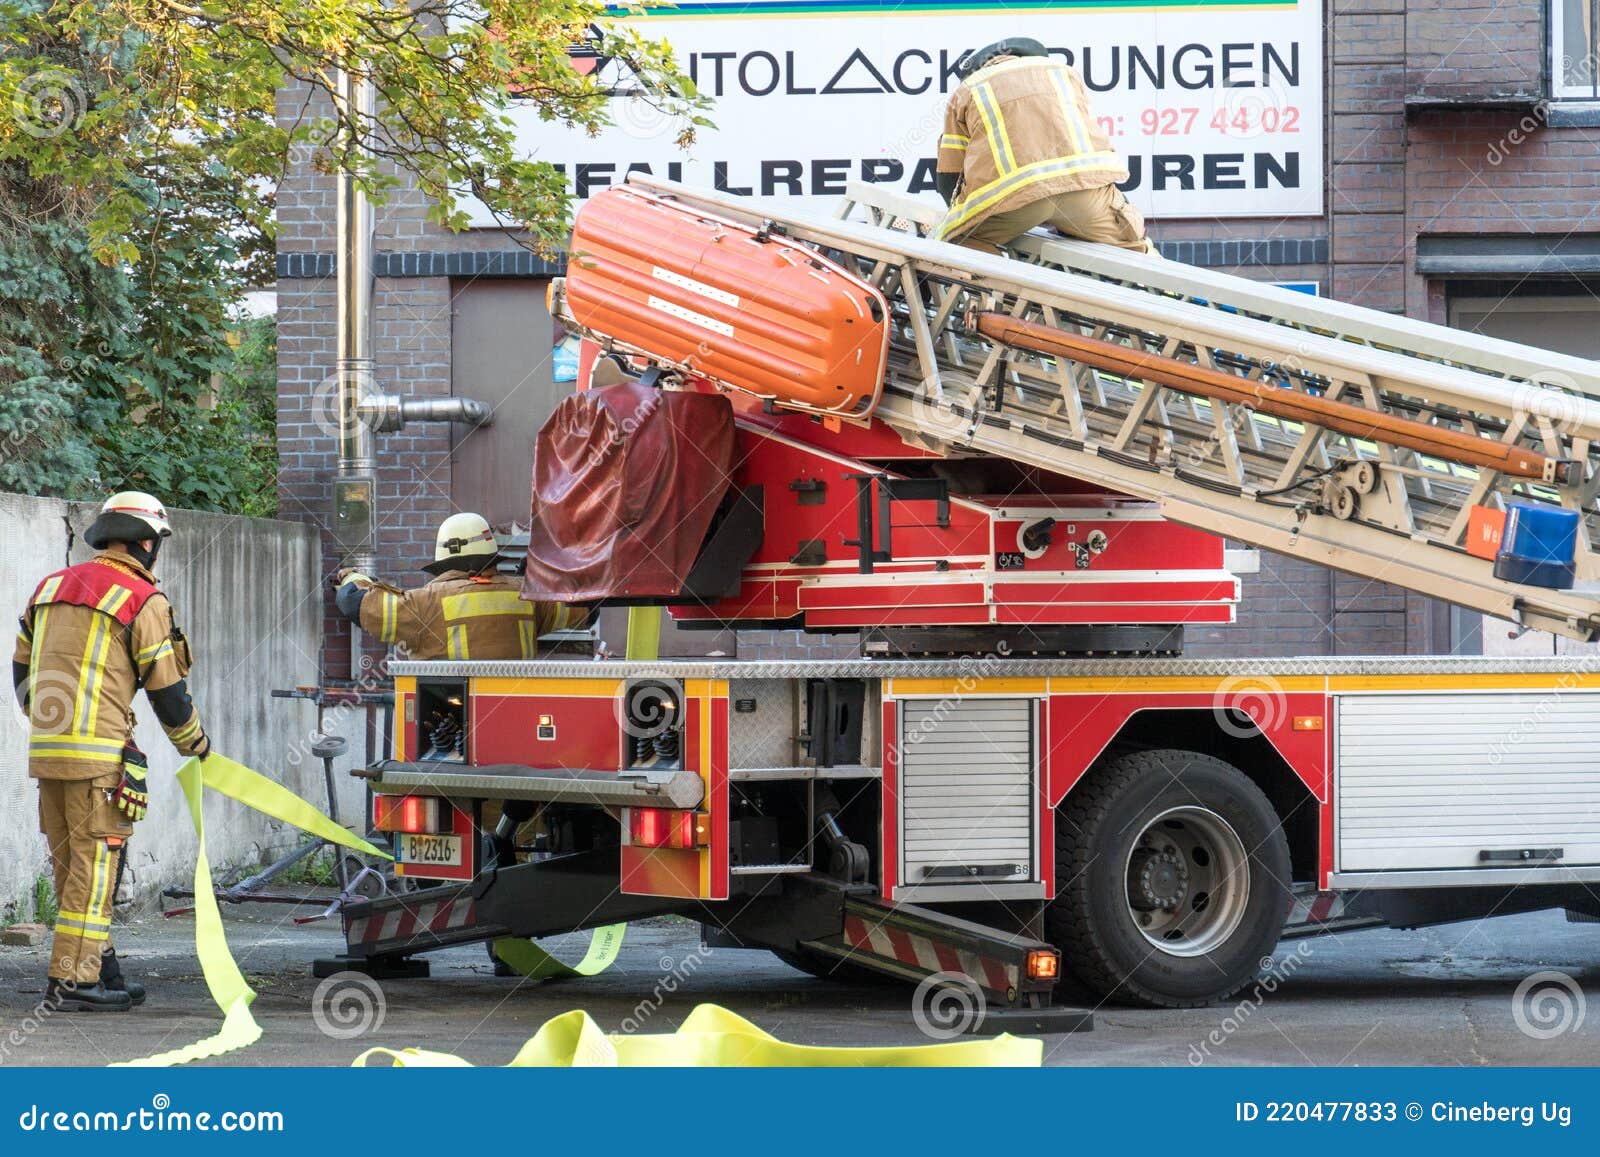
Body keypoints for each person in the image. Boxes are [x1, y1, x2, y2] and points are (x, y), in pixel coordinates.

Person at [12, 491, 211, 1012]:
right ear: (146, 542)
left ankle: (102, 967)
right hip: (99, 761)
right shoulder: (141, 599)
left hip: (50, 754)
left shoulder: (50, 587)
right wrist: (196, 744)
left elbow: (21, 669)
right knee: (95, 869)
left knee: (71, 868)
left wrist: (50, 721)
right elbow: (167, 689)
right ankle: (74, 979)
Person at [935, 38, 1156, 256]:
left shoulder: (968, 89)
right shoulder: (1063, 72)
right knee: (1132, 244)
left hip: (1017, 200)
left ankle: (1007, 292)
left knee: (956, 244)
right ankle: (1166, 289)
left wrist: (962, 218)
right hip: (1083, 193)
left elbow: (949, 176)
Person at [333, 513, 583, 661]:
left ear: (446, 558)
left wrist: (350, 576)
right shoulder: (526, 596)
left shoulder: (426, 603)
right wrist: (540, 578)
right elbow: (584, 612)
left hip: (448, 714)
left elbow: (354, 601)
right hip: (519, 708)